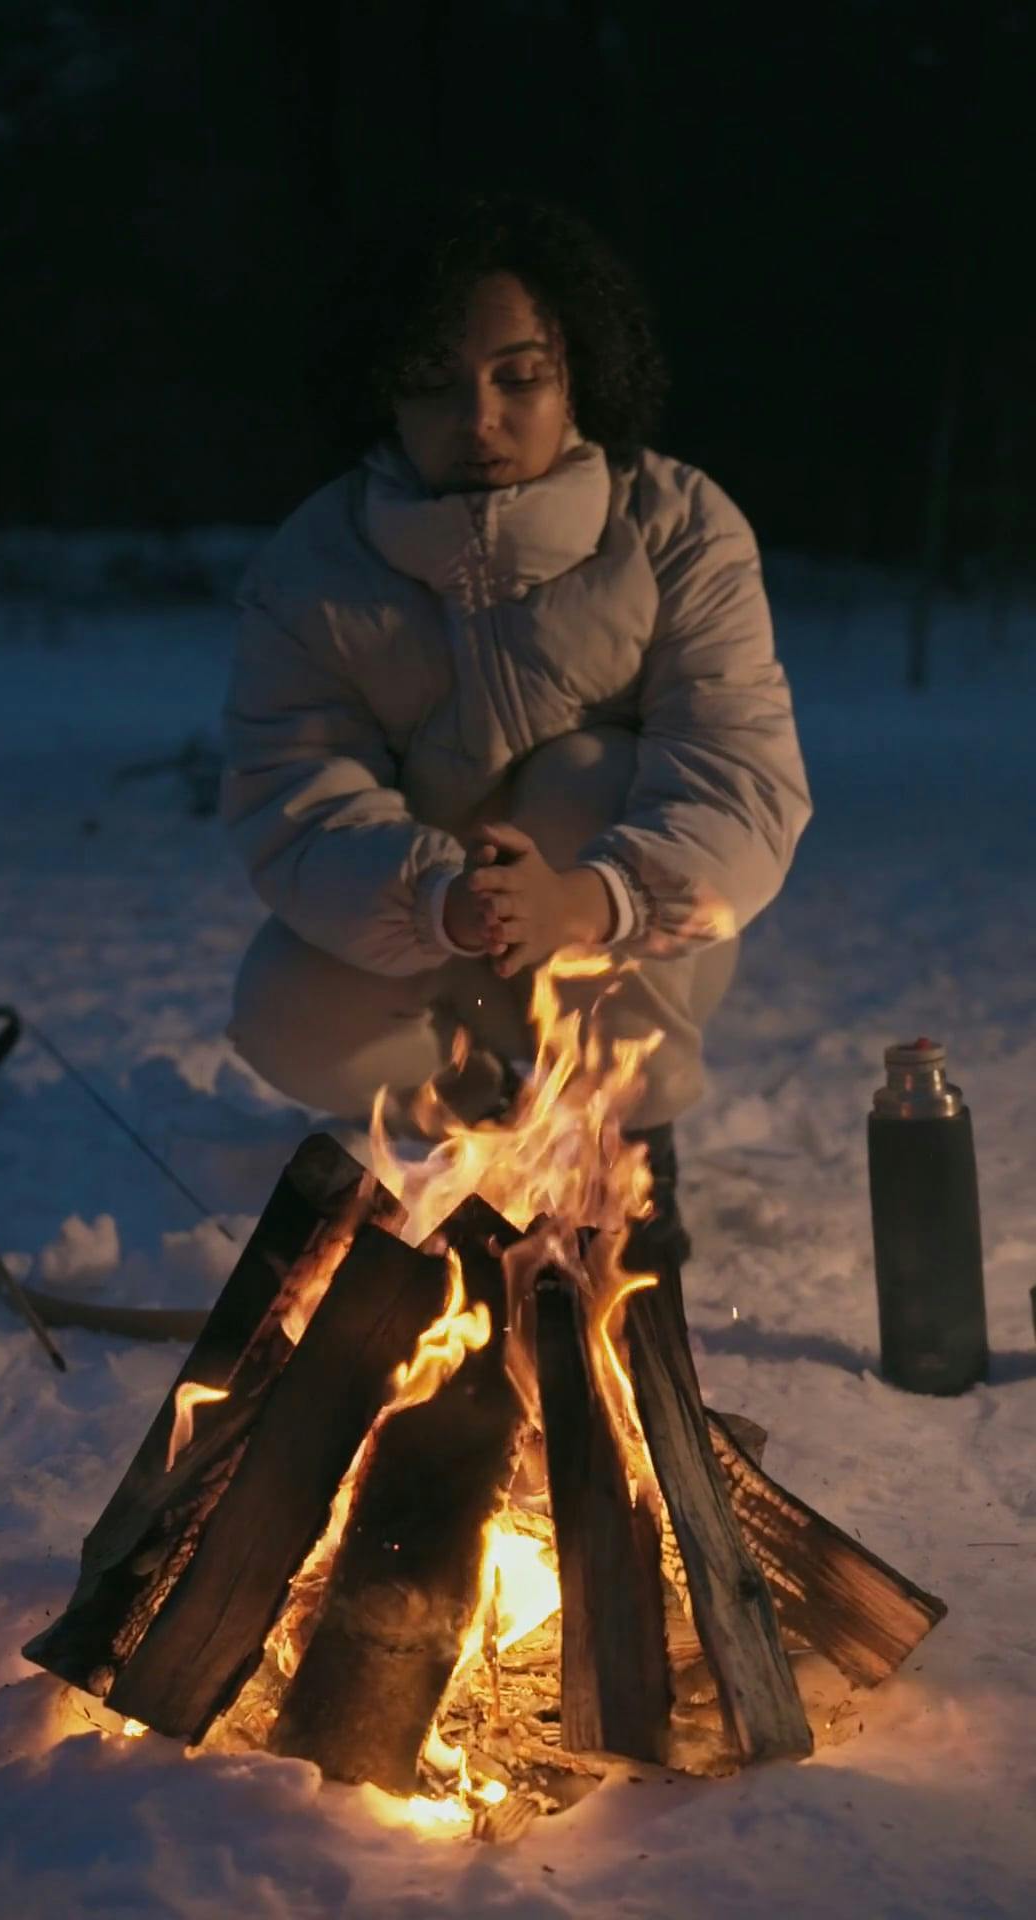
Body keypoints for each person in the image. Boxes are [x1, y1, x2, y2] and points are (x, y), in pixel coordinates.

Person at [221, 193, 812, 1258]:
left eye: (519, 377)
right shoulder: (313, 569)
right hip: (432, 929)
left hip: (615, 933)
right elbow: (292, 800)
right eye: (436, 384)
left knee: (587, 777)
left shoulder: (677, 527)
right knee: (281, 1007)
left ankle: (623, 1141)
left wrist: (587, 900)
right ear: (383, 391)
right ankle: (478, 1107)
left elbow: (740, 779)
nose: (480, 418)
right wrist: (442, 900)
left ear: (577, 369)